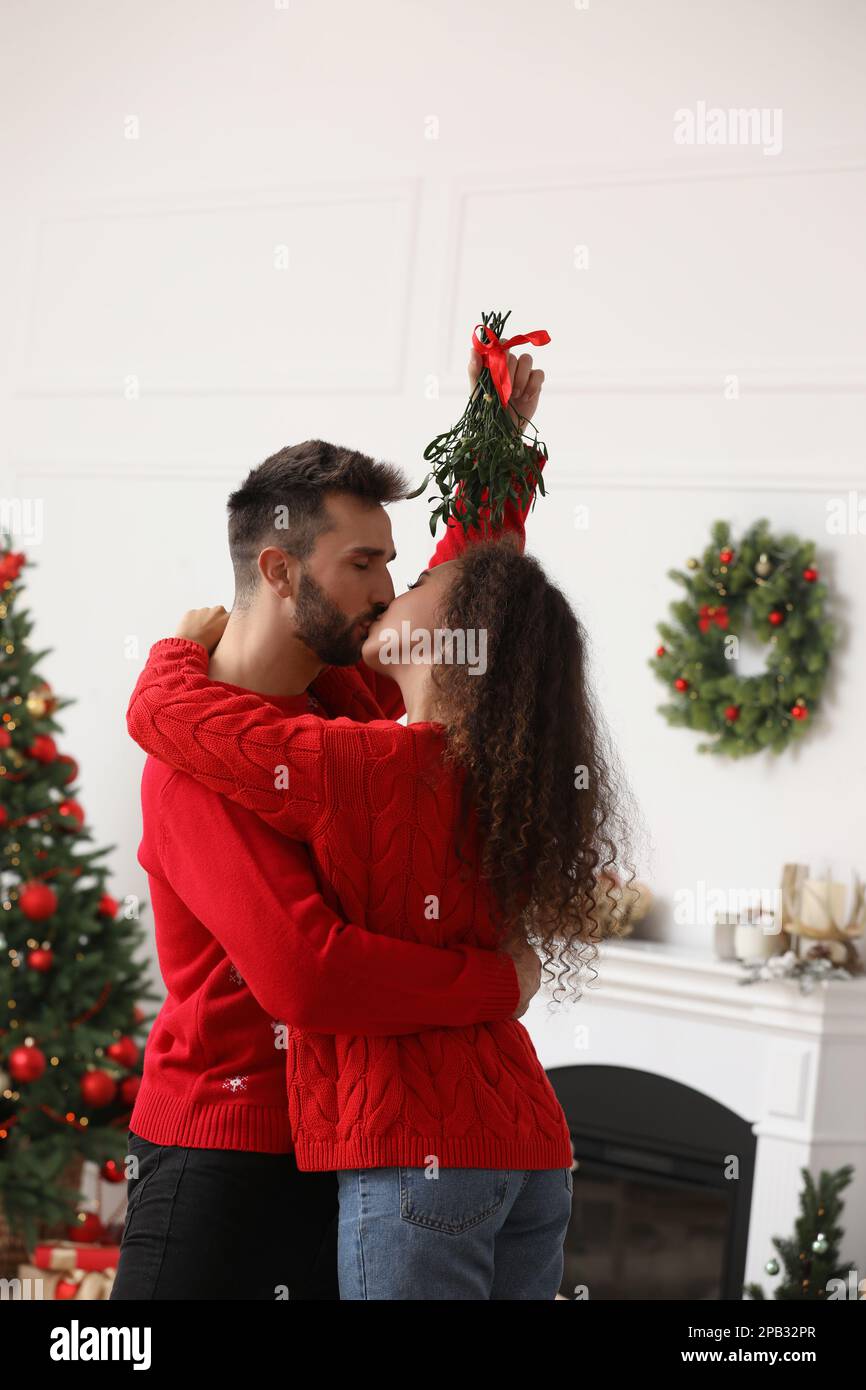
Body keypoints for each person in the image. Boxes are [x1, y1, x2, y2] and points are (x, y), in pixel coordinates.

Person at [112, 349, 549, 1301]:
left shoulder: (347, 704)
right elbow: (308, 973)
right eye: (363, 563)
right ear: (279, 569)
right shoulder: (193, 762)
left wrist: (495, 455)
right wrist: (494, 981)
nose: (389, 587)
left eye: (390, 561)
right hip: (221, 1157)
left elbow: (452, 614)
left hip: (341, 1144)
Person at [125, 533, 631, 1300]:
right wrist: (502, 452)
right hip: (528, 1145)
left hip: (418, 1152)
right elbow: (494, 609)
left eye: (415, 577)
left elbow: (173, 719)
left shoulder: (357, 766)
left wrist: (176, 651)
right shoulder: (506, 773)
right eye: (371, 565)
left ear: (448, 636)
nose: (389, 589)